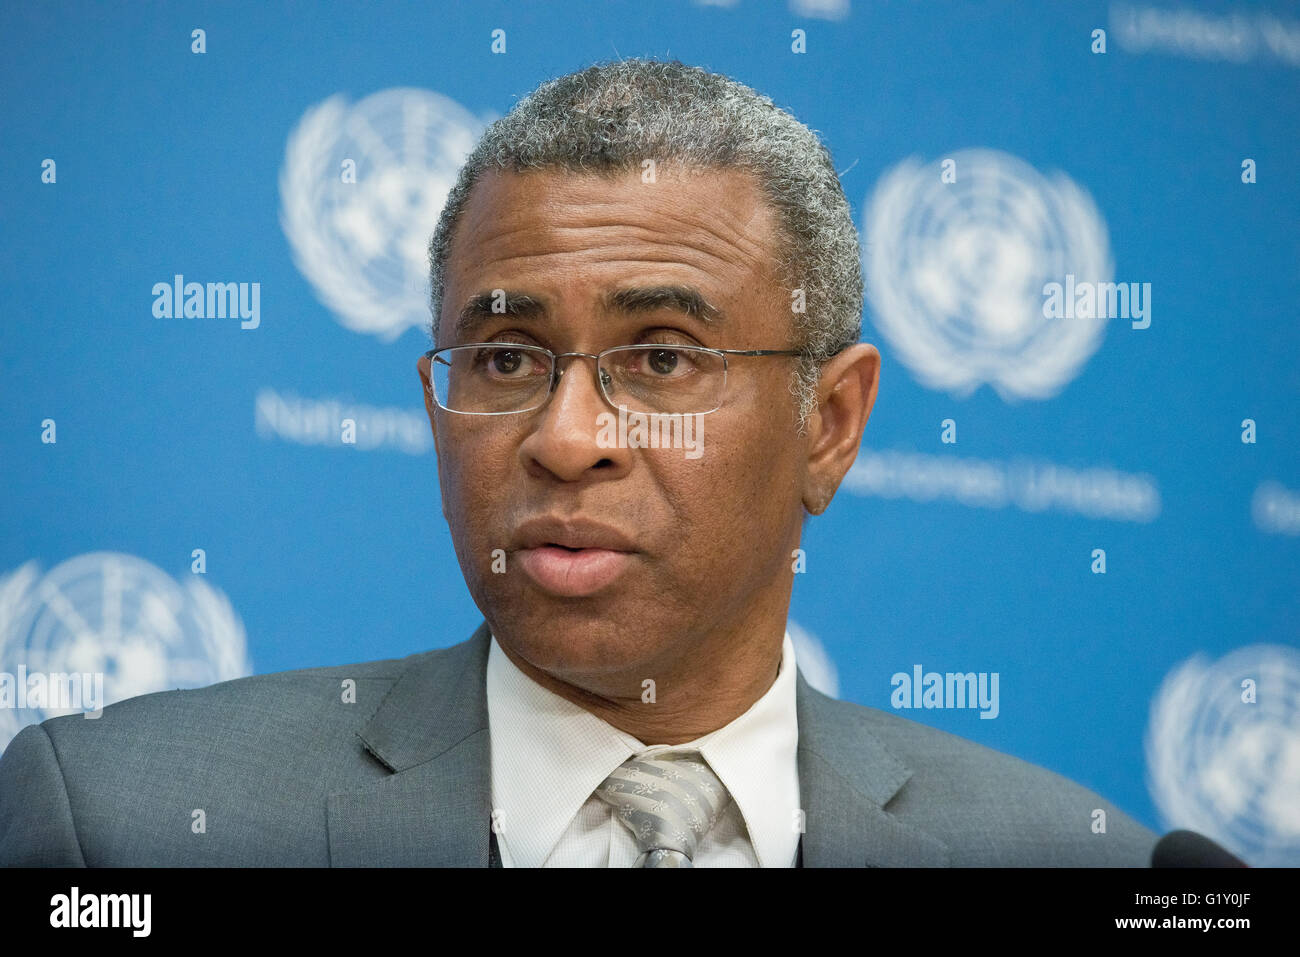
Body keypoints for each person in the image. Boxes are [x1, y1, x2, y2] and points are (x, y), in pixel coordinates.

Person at [0, 58, 1155, 867]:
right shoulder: (129, 819)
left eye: (660, 358)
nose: (565, 438)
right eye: (504, 358)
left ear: (829, 425)